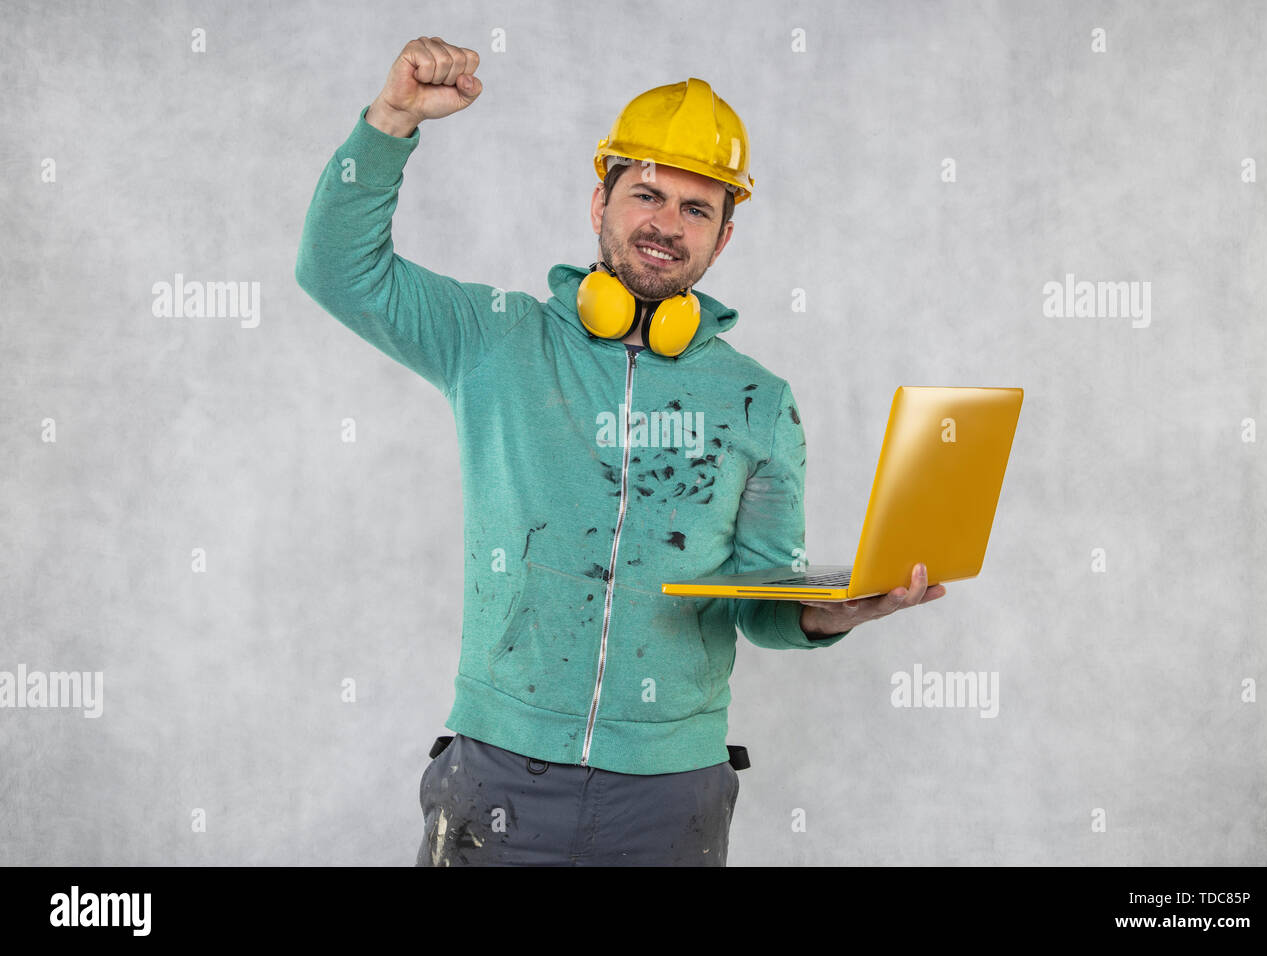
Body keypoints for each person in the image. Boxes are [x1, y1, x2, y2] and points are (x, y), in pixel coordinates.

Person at [295, 36, 945, 867]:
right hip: (499, 777)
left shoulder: (758, 399)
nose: (666, 225)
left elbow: (759, 600)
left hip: (671, 796)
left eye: (696, 208)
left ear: (724, 239)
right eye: (647, 194)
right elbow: (335, 269)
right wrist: (391, 121)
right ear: (597, 203)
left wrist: (833, 612)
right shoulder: (495, 336)